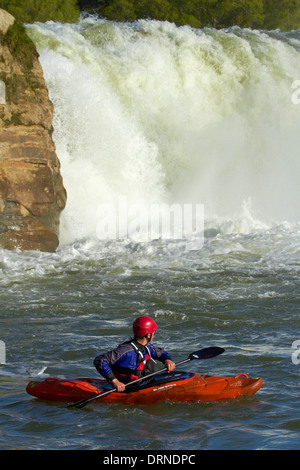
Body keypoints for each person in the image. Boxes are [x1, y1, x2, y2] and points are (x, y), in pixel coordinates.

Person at [93, 316, 176, 392]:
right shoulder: (125, 350)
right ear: (148, 335)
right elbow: (100, 360)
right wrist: (115, 381)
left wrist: (168, 360)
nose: (154, 334)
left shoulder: (148, 348)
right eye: (153, 332)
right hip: (127, 388)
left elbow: (162, 353)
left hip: (143, 384)